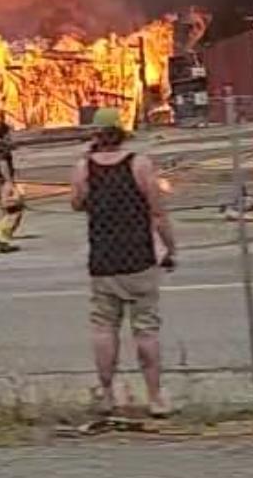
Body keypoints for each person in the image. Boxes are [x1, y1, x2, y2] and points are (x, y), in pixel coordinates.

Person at [71, 107, 176, 417]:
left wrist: (88, 163)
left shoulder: (83, 168)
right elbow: (158, 212)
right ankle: (156, 397)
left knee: (104, 329)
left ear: (96, 135)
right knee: (146, 330)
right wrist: (170, 249)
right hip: (139, 259)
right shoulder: (139, 165)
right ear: (121, 132)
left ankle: (106, 395)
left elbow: (77, 203)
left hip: (103, 260)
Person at [0, 112, 24, 253]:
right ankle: (1, 235)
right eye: (10, 134)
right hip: (2, 182)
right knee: (15, 211)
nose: (12, 137)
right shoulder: (3, 147)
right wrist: (9, 183)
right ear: (6, 134)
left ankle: (5, 242)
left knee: (6, 212)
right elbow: (3, 163)